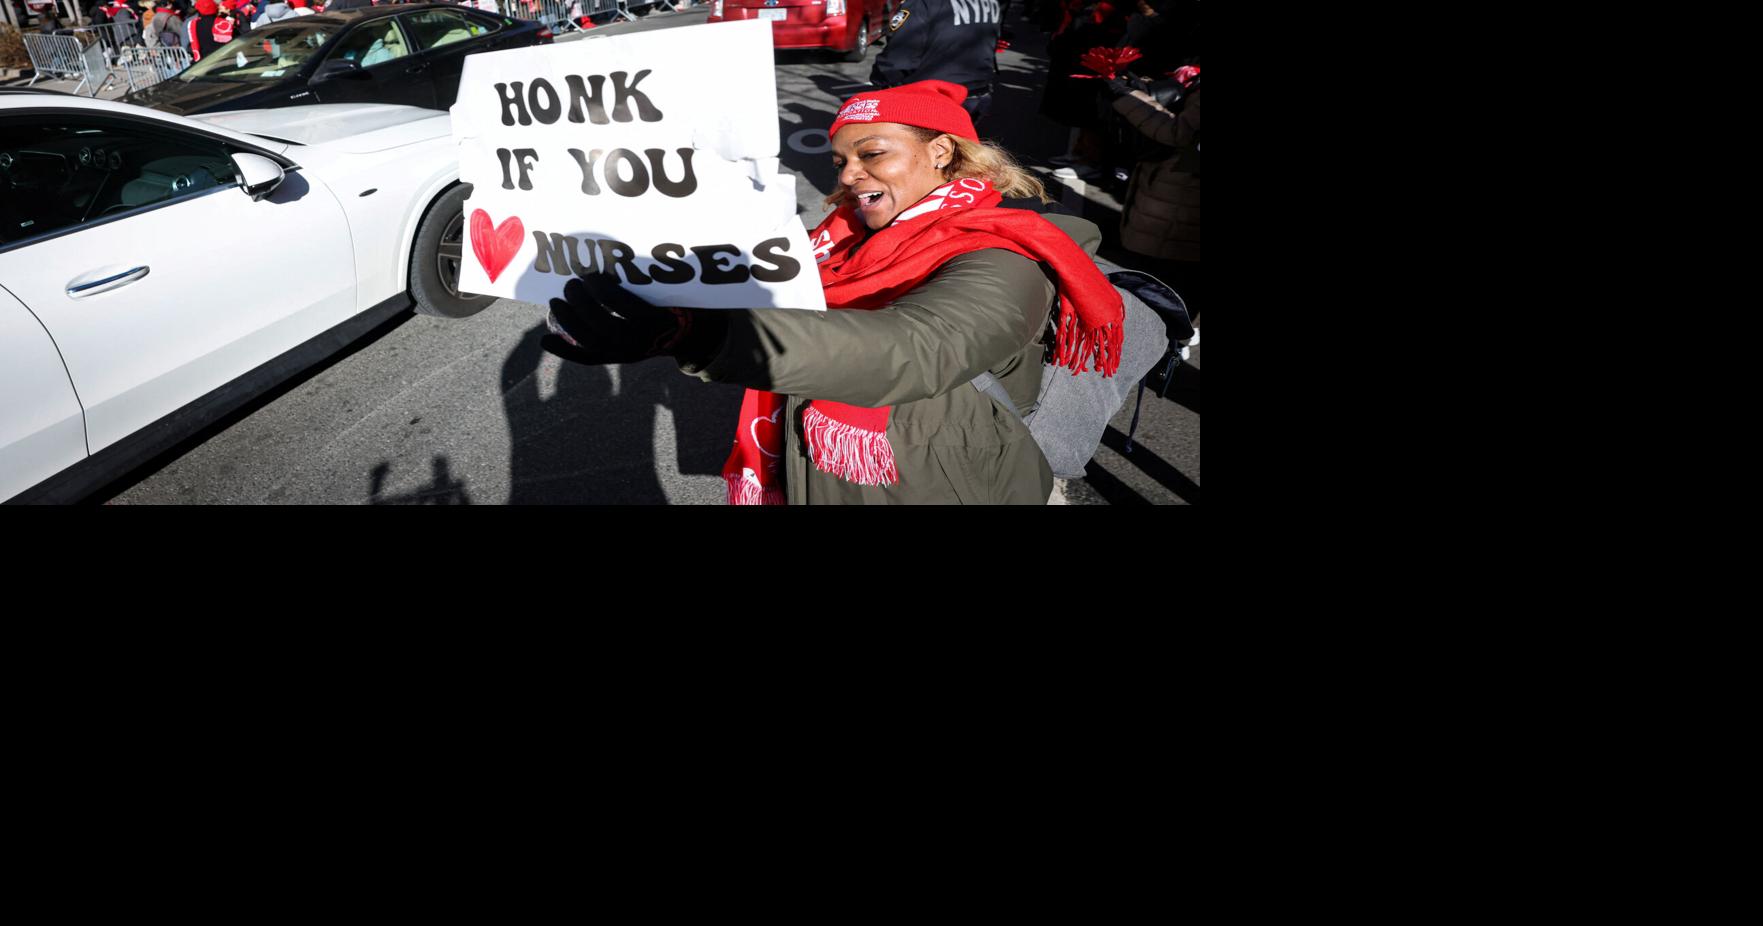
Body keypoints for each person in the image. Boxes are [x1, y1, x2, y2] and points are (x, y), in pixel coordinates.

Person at [541, 80, 1126, 505]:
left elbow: (918, 347)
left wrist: (704, 337)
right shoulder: (839, 238)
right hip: (819, 476)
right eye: (842, 159)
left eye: (872, 154)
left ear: (941, 152)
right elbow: (764, 290)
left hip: (941, 485)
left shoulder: (1003, 253)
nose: (847, 175)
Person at [1107, 67, 1199, 323]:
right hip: (1179, 183)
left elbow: (1177, 132)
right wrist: (1144, 89)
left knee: (1166, 280)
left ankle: (1171, 331)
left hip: (1182, 190)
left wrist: (1129, 98)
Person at [869, 0, 1002, 122]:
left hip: (936, 97)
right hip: (978, 91)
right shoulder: (990, 2)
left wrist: (881, 80)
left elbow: (900, 56)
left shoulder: (922, 3)